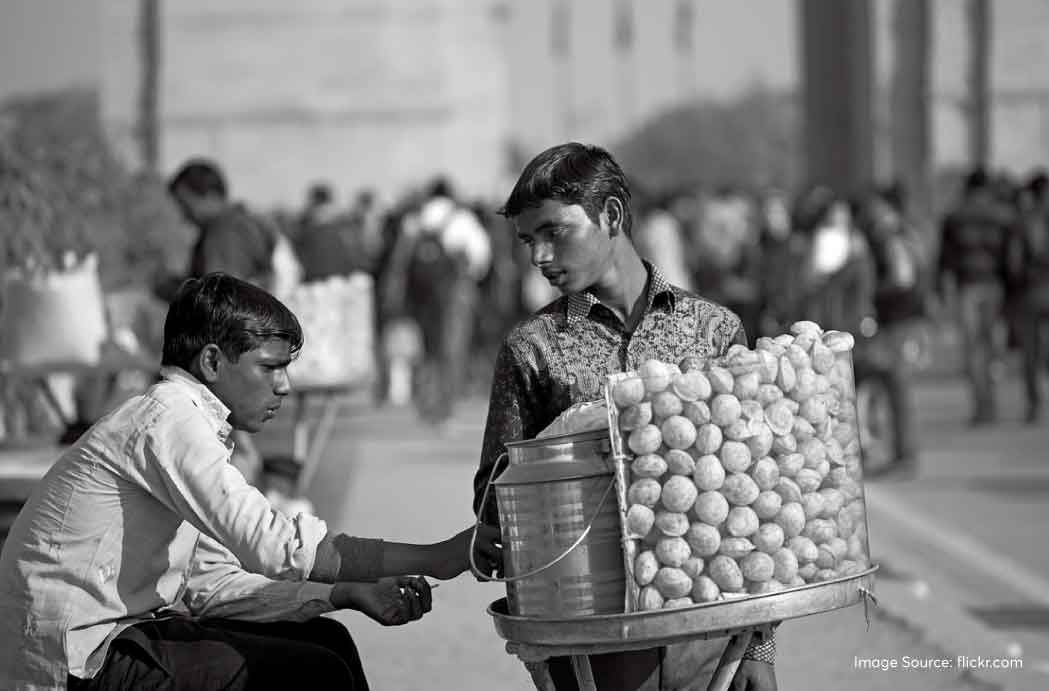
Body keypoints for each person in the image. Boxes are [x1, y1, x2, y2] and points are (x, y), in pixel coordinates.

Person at [0, 273, 503, 690]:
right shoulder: (169, 421)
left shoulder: (189, 427)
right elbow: (275, 546)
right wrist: (440, 556)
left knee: (329, 643)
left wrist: (344, 593)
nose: (284, 385)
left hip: (115, 637)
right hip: (75, 658)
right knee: (315, 674)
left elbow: (210, 583)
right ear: (213, 362)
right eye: (270, 368)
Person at [471, 143, 777, 691]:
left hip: (708, 626)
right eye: (527, 240)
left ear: (610, 215)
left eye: (554, 232)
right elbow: (495, 491)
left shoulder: (713, 330)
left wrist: (762, 645)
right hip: (597, 634)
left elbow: (751, 501)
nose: (538, 256)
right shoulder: (534, 348)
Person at [937, 169, 1018, 425]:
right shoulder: (1004, 216)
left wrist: (940, 290)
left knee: (973, 349)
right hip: (995, 287)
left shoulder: (955, 215)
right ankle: (992, 402)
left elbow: (945, 259)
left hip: (967, 287)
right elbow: (1012, 257)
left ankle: (982, 407)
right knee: (992, 346)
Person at [1017, 170, 1049, 423]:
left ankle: (1034, 404)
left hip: (1032, 290)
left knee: (1031, 351)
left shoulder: (1027, 220)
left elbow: (1016, 261)